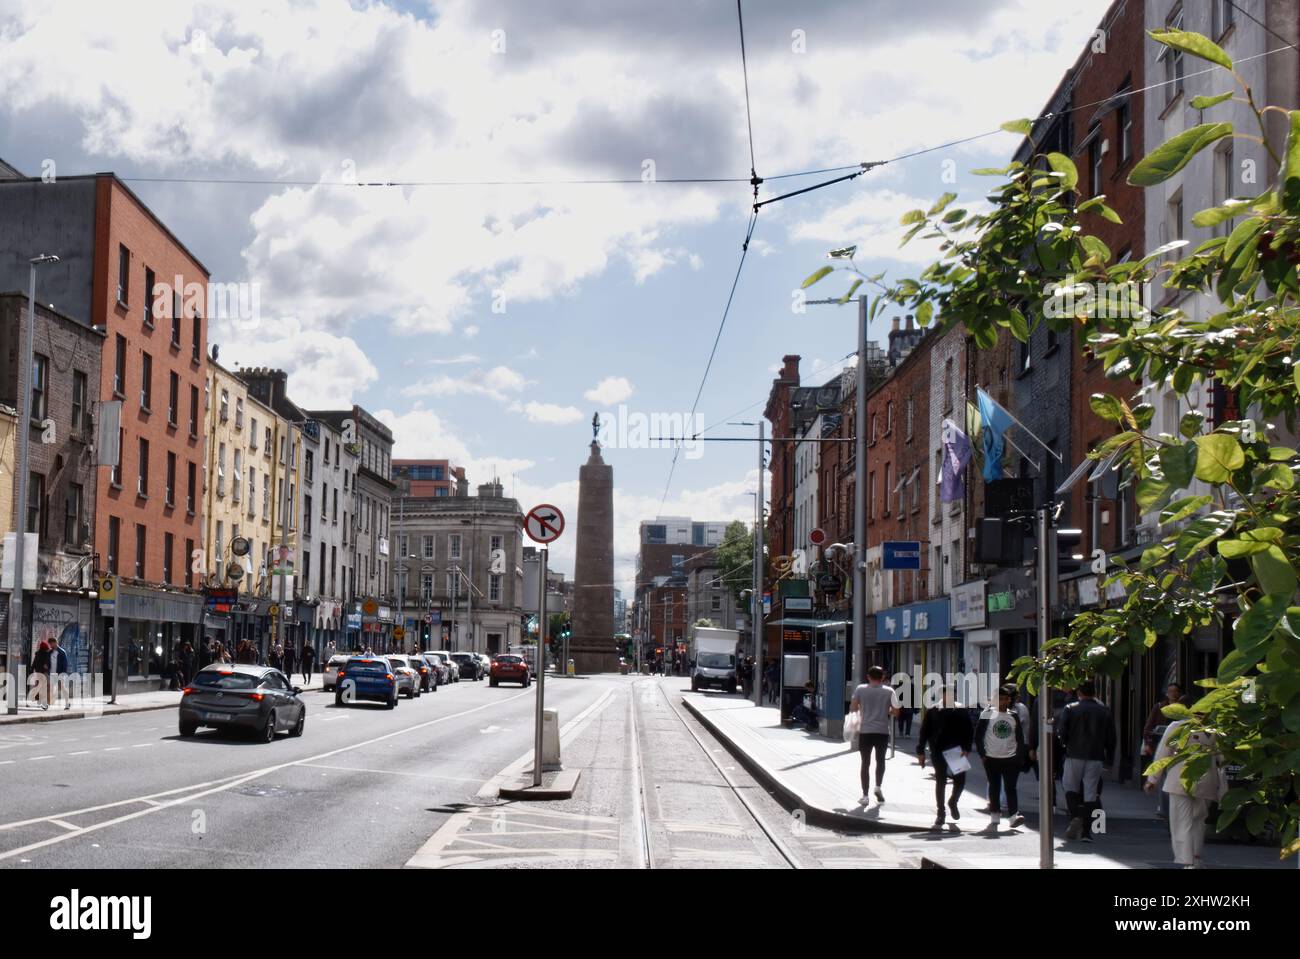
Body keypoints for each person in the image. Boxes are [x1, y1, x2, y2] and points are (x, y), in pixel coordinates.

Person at [1144, 719, 1225, 868]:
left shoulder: (1177, 726)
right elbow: (1222, 757)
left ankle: (1187, 860)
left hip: (1179, 778)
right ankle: (1196, 858)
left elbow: (1163, 753)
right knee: (1199, 820)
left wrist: (1152, 779)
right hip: (1206, 779)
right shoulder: (1214, 729)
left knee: (1181, 822)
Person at [1057, 680, 1117, 842]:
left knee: (1070, 787)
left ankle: (1076, 815)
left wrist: (1065, 746)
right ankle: (1086, 833)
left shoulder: (1070, 709)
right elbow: (1111, 737)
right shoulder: (1104, 710)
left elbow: (1062, 732)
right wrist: (1109, 759)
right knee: (1091, 792)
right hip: (1096, 755)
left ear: (1079, 693)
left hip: (1074, 754)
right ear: (1094, 693)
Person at [917, 685, 974, 828]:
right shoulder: (933, 711)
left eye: (951, 694)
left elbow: (969, 730)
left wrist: (967, 748)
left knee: (960, 781)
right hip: (938, 751)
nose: (948, 697)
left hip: (957, 751)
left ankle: (953, 802)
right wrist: (921, 752)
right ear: (941, 696)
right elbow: (924, 732)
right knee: (940, 781)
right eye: (945, 694)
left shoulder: (961, 710)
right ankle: (940, 813)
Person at [975, 685, 1026, 829]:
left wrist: (1019, 756)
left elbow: (1019, 738)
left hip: (1011, 758)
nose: (1003, 702)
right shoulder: (987, 714)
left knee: (1011, 787)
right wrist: (982, 754)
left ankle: (1013, 816)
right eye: (1000, 699)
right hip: (991, 757)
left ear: (1009, 700)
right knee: (994, 786)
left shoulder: (1013, 715)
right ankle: (995, 814)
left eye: (1006, 699)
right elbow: (978, 736)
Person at [850, 665, 902, 804]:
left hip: (866, 731)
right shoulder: (889, 691)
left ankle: (865, 796)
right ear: (883, 677)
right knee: (880, 761)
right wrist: (886, 711)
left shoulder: (860, 689)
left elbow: (853, 707)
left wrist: (863, 709)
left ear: (868, 677)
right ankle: (878, 787)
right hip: (882, 731)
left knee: (865, 763)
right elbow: (896, 712)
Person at [49, 636, 71, 710]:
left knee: (63, 688)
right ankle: (50, 703)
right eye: (50, 644)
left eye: (51, 644)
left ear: (55, 643)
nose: (50, 645)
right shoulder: (50, 652)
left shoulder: (62, 652)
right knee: (51, 688)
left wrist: (63, 674)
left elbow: (65, 664)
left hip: (60, 673)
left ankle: (67, 703)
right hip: (52, 673)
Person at [29, 639, 51, 710]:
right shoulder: (47, 654)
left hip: (38, 673)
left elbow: (34, 663)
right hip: (44, 673)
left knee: (39, 687)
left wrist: (31, 670)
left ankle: (38, 699)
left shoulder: (37, 654)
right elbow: (49, 664)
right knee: (45, 688)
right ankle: (44, 703)